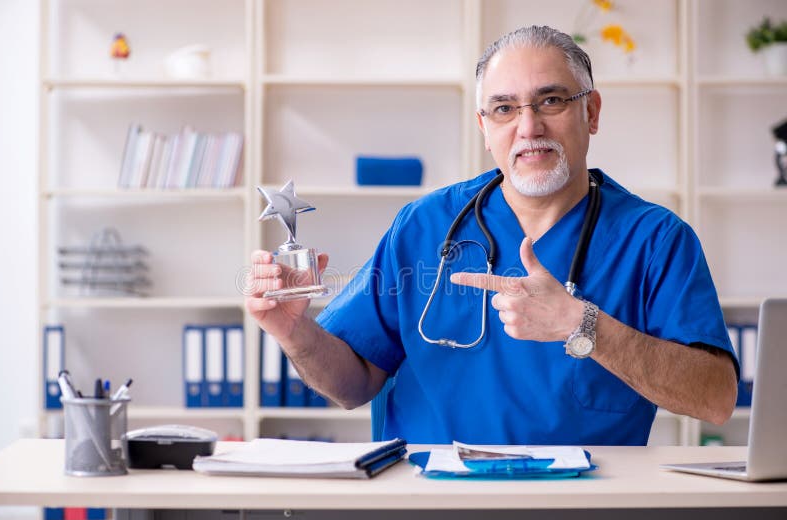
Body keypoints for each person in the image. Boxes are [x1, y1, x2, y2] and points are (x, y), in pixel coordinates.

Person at [246, 25, 738, 445]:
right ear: (484, 127)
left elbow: (716, 398)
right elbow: (353, 385)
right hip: (432, 502)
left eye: (551, 100)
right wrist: (295, 333)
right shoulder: (423, 226)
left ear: (591, 112)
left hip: (582, 505)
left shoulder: (655, 241)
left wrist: (583, 325)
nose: (529, 126)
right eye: (504, 108)